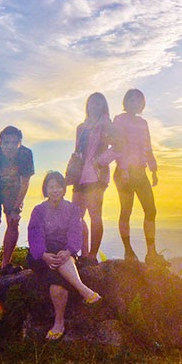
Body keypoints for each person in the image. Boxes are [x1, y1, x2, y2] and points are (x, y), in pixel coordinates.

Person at [27, 170, 102, 341]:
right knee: (57, 265)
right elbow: (34, 235)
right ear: (45, 189)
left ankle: (58, 323)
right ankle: (85, 291)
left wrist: (69, 250)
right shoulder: (39, 210)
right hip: (42, 255)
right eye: (51, 186)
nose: (55, 190)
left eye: (58, 186)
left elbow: (76, 232)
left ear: (63, 188)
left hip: (64, 252)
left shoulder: (72, 209)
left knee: (58, 283)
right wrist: (44, 255)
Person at [110, 89, 163, 264]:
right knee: (126, 211)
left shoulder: (143, 123)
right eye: (131, 100)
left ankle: (151, 252)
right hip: (124, 172)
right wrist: (124, 169)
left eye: (138, 100)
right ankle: (128, 251)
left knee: (151, 210)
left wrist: (153, 169)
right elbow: (118, 145)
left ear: (142, 103)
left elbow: (147, 146)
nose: (135, 103)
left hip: (140, 172)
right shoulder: (119, 120)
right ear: (126, 102)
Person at [0, 126, 35, 275]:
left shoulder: (26, 154)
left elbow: (25, 183)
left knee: (13, 222)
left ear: (19, 143)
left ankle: (6, 264)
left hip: (14, 190)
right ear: (0, 143)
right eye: (6, 143)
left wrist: (16, 209)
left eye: (14, 143)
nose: (10, 146)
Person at [70, 92, 112, 265]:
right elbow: (77, 150)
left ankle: (92, 256)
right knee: (76, 215)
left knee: (95, 216)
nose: (95, 106)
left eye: (99, 103)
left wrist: (99, 161)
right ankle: (83, 252)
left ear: (104, 106)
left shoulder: (108, 125)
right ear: (87, 106)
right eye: (92, 103)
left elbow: (119, 147)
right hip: (80, 175)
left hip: (97, 175)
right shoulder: (81, 127)